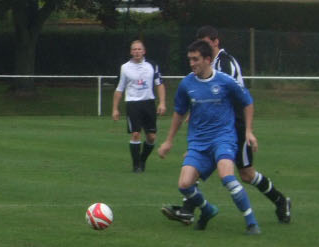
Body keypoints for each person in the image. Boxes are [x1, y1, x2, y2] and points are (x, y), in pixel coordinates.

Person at [155, 38, 263, 234]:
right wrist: (169, 141)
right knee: (184, 185)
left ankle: (251, 222)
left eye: (196, 59)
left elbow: (247, 102)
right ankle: (207, 210)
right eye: (190, 60)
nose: (192, 64)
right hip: (198, 142)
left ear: (207, 59)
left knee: (227, 176)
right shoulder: (186, 84)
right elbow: (179, 112)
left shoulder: (225, 81)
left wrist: (248, 131)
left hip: (224, 138)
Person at [188, 25, 292, 224]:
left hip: (234, 125)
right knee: (199, 166)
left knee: (246, 174)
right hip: (215, 126)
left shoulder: (226, 64)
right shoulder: (206, 64)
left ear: (216, 41)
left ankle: (280, 200)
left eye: (207, 43)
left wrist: (248, 130)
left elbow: (240, 98)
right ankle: (188, 209)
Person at [111, 39, 165, 172]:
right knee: (135, 134)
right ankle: (136, 166)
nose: (137, 52)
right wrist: (115, 108)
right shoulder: (125, 67)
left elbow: (159, 84)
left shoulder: (152, 65)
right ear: (131, 52)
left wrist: (162, 103)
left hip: (149, 103)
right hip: (132, 103)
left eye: (139, 49)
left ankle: (142, 160)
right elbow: (119, 89)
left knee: (151, 137)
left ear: (144, 51)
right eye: (134, 49)